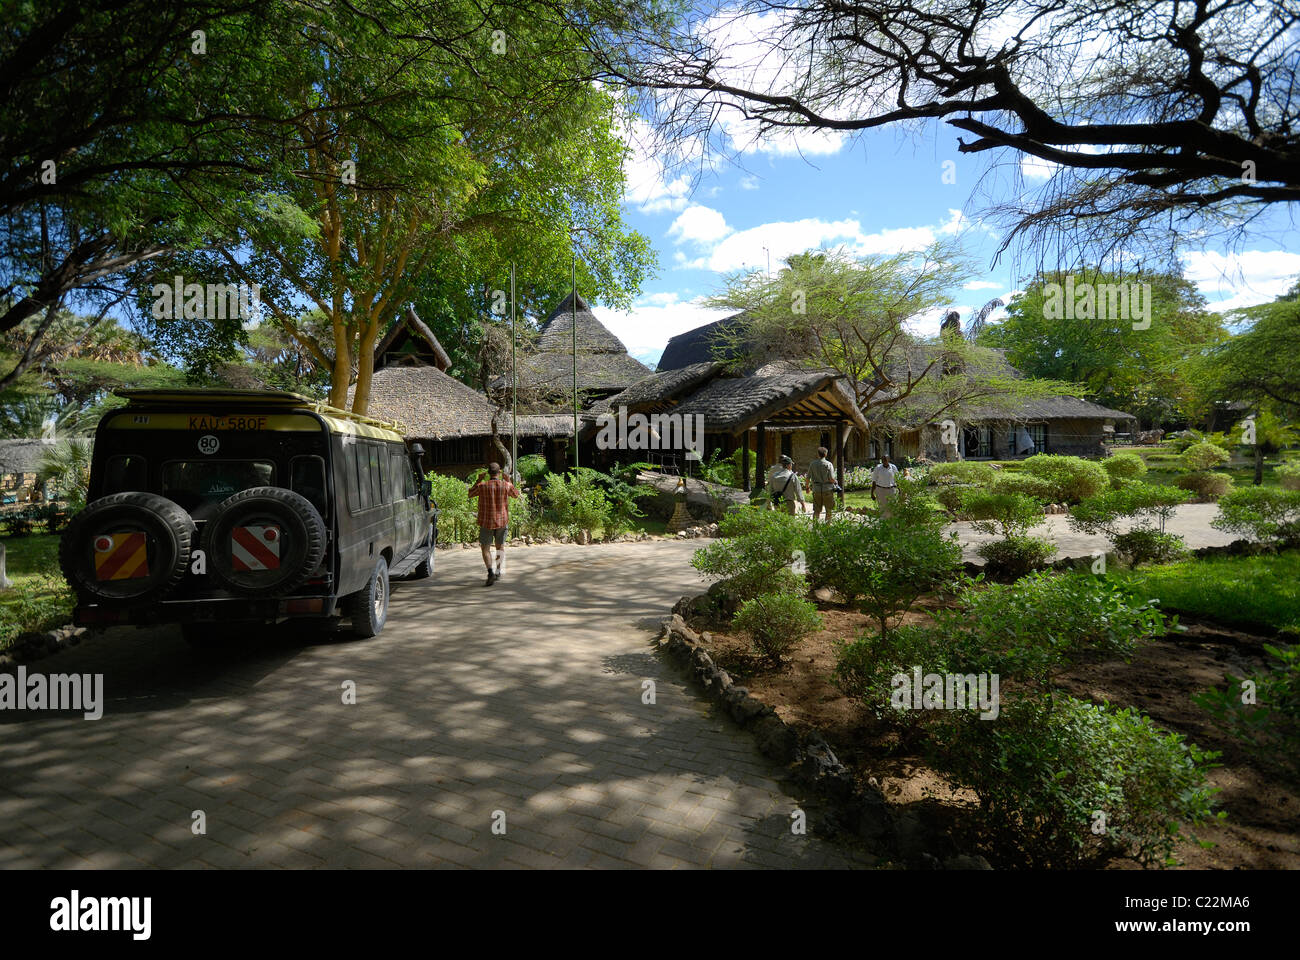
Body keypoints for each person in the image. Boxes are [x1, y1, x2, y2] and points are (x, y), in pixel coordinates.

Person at [467, 461, 519, 586]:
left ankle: (490, 572)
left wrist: (478, 480)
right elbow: (516, 495)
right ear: (499, 472)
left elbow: (470, 494)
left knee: (485, 548)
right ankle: (498, 571)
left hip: (486, 521)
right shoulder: (505, 485)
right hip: (501, 521)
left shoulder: (482, 485)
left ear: (488, 473)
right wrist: (509, 481)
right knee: (500, 547)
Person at [808, 446, 838, 523]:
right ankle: (827, 528)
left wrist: (807, 487)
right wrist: (835, 482)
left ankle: (815, 527)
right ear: (826, 454)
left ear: (818, 454)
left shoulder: (812, 464)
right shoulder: (829, 464)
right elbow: (831, 478)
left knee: (816, 510)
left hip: (816, 489)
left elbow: (808, 477)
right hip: (827, 489)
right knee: (828, 510)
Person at [870, 454, 900, 519]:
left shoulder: (893, 467)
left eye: (886, 459)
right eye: (883, 460)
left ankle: (892, 524)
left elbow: (897, 479)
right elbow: (874, 481)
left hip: (891, 490)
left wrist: (900, 490)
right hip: (881, 490)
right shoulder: (878, 468)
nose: (884, 461)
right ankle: (883, 523)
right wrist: (872, 493)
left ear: (889, 460)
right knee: (882, 508)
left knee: (892, 507)